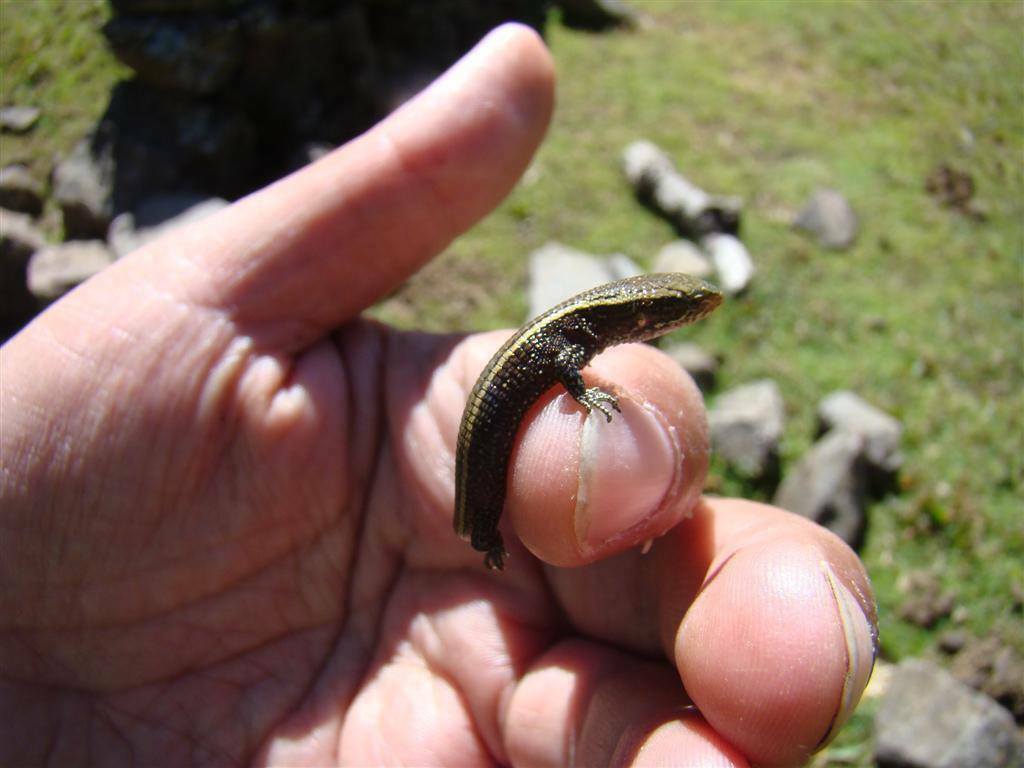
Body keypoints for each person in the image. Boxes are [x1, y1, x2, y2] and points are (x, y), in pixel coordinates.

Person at [0, 24, 876, 767]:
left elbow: (571, 360)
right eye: (678, 312)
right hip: (489, 432)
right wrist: (588, 398)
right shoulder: (578, 337)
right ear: (648, 313)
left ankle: (487, 536)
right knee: (492, 491)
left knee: (512, 492)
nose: (685, 320)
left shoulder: (590, 332)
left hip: (494, 441)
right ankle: (486, 537)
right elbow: (566, 364)